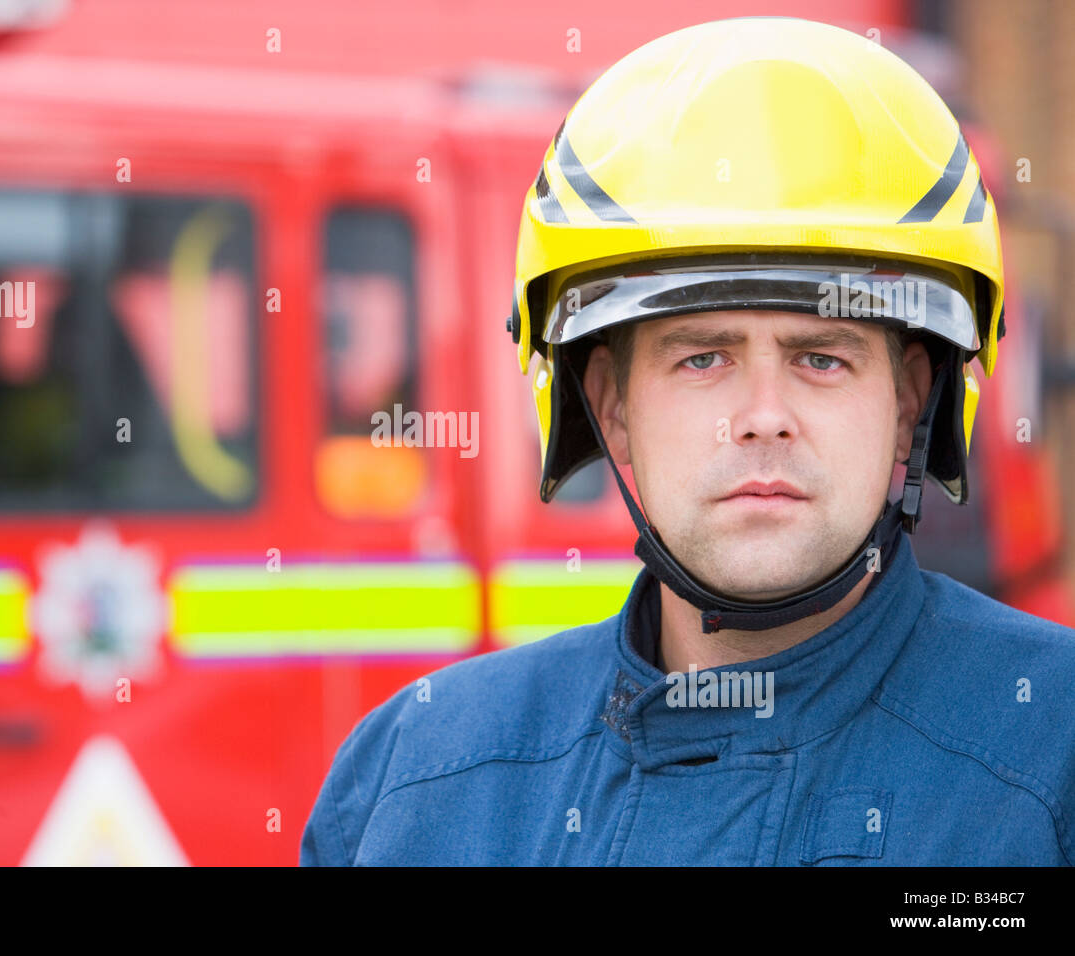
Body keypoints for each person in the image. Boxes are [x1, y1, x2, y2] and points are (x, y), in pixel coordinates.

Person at [299, 16, 1075, 866]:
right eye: (703, 358)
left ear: (908, 404)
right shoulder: (414, 787)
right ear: (611, 406)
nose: (763, 414)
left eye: (822, 357)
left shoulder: (1053, 753)